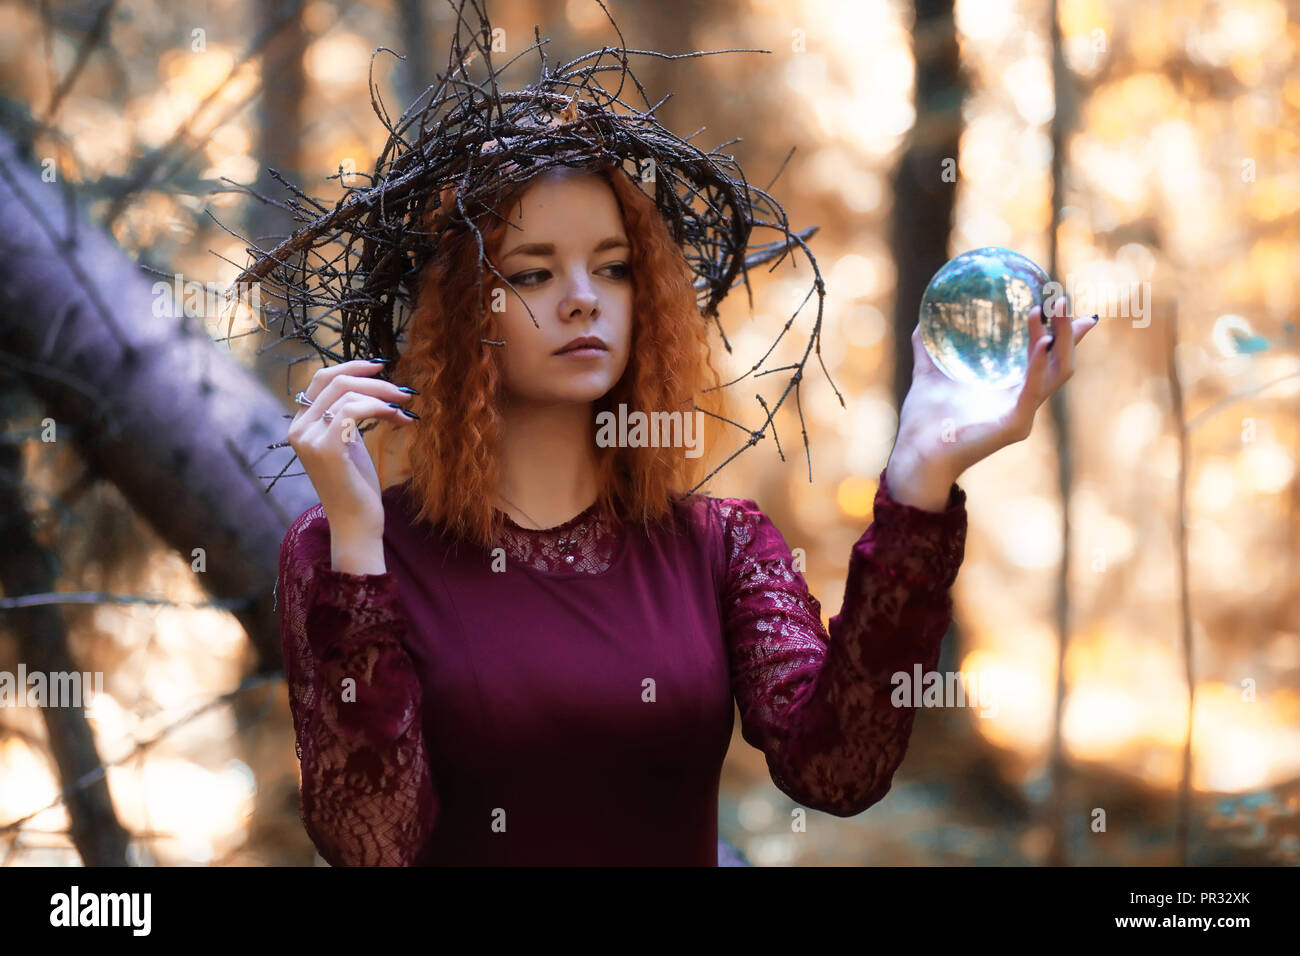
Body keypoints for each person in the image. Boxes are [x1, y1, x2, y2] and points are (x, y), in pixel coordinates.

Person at [256, 1, 1098, 866]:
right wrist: (360, 551)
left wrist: (920, 480)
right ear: (459, 311)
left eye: (614, 268)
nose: (583, 296)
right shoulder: (344, 552)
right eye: (533, 272)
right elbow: (374, 841)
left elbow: (838, 770)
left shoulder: (721, 546)